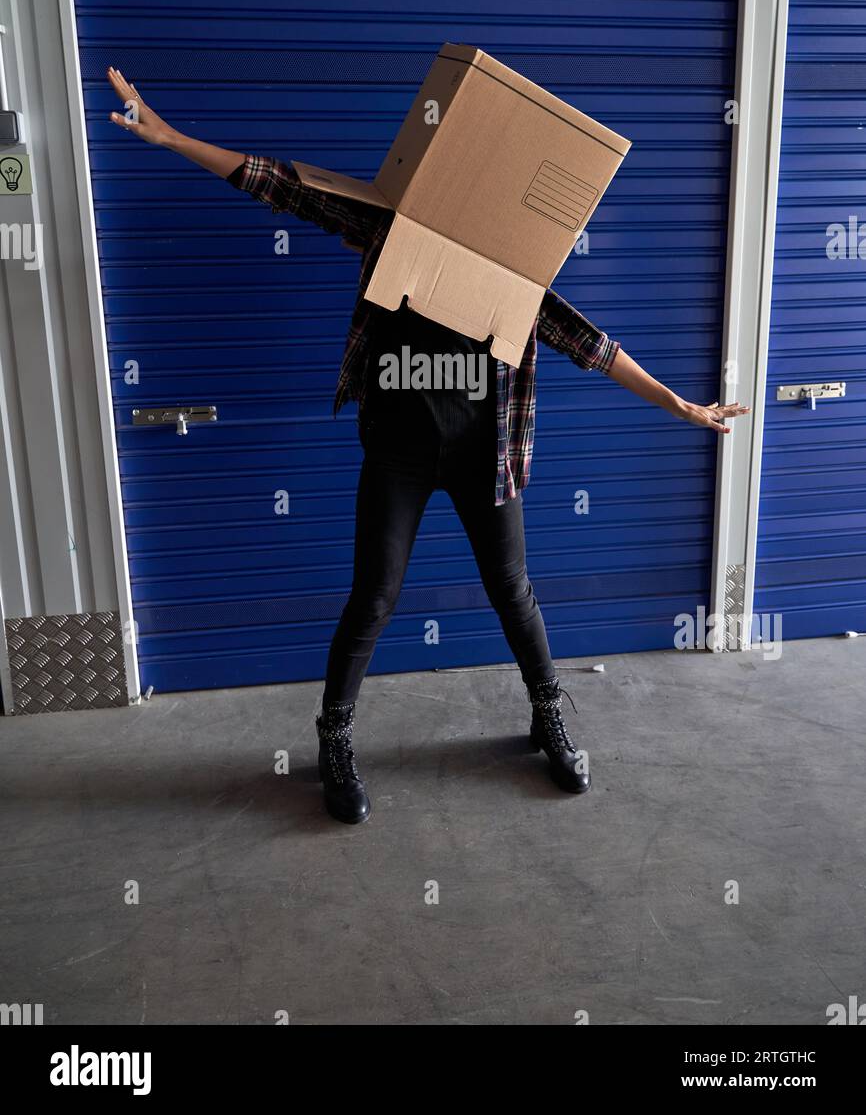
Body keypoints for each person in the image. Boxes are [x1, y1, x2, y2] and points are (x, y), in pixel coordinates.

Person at [107, 67, 750, 825]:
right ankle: (334, 740)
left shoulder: (518, 277)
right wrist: (170, 136)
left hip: (488, 453)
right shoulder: (391, 227)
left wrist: (679, 403)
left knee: (515, 591)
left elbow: (593, 346)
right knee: (374, 596)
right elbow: (281, 185)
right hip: (401, 452)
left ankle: (547, 716)